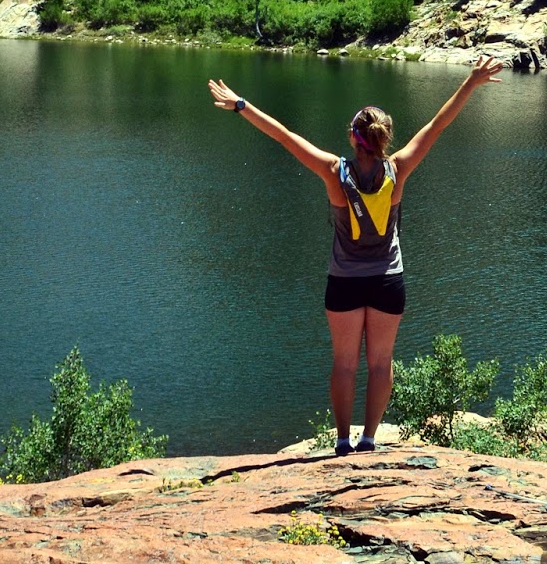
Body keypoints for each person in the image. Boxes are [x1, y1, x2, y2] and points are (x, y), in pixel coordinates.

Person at [208, 55, 502, 455]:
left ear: (353, 138)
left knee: (344, 364)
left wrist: (242, 105)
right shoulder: (398, 168)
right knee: (381, 364)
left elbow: (283, 135)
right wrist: (470, 82)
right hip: (387, 281)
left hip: (344, 282)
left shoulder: (333, 171)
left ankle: (343, 441)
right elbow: (438, 125)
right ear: (384, 140)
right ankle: (369, 440)